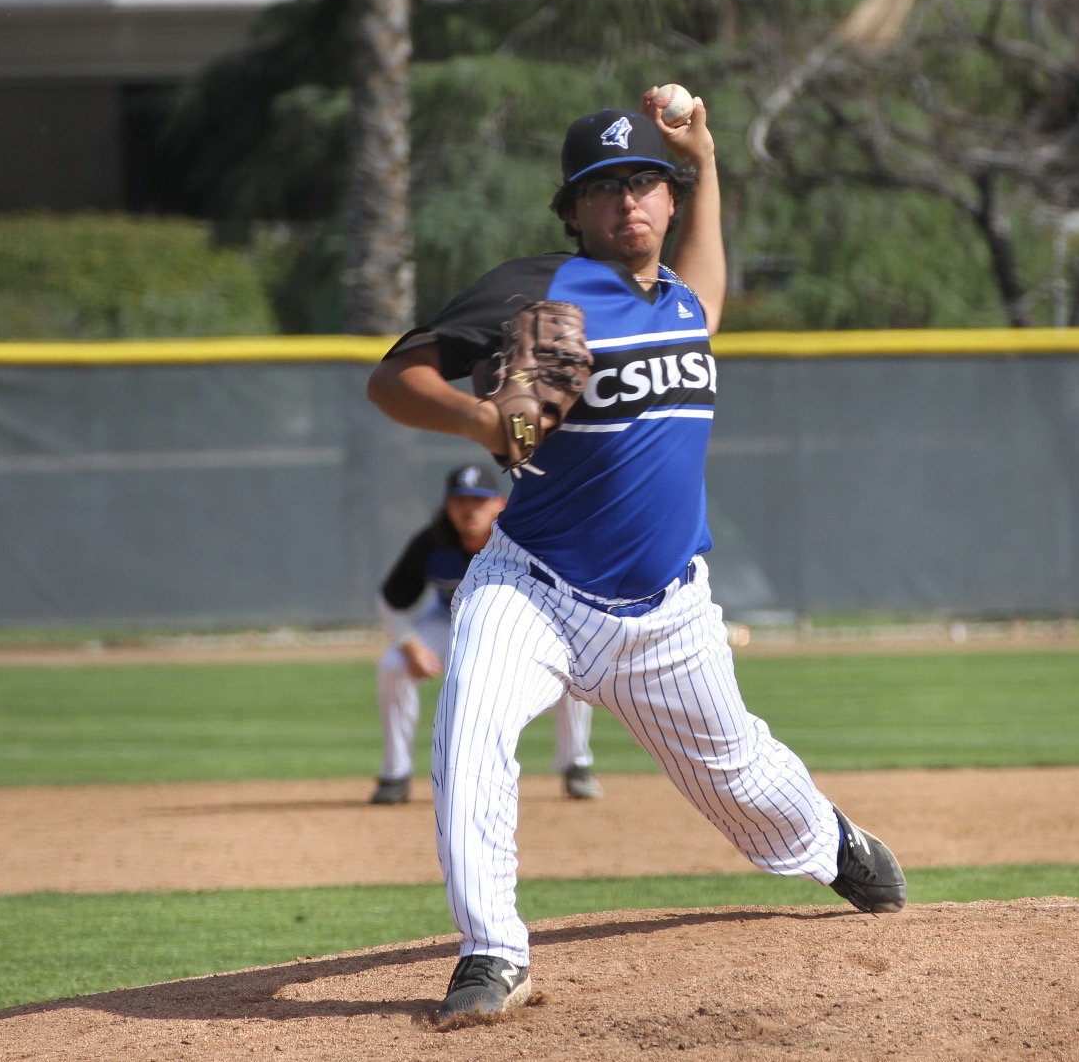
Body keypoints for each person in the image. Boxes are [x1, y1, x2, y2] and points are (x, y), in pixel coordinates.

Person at [366, 88, 905, 1029]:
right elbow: (394, 377)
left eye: (646, 184)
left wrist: (706, 159)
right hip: (532, 587)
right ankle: (491, 948)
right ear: (573, 209)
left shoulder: (686, 300)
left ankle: (830, 841)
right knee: (470, 731)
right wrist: (485, 417)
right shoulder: (540, 290)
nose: (630, 203)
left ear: (668, 197)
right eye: (606, 187)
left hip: (669, 614)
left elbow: (707, 279)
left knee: (738, 774)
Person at [370, 464, 601, 805]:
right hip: (450, 617)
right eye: (459, 500)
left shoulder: (525, 538)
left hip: (520, 622)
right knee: (393, 665)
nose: (468, 508)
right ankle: (396, 773)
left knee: (567, 668)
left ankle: (576, 764)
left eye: (478, 500)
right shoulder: (433, 542)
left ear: (500, 504)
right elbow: (389, 599)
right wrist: (411, 646)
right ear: (447, 507)